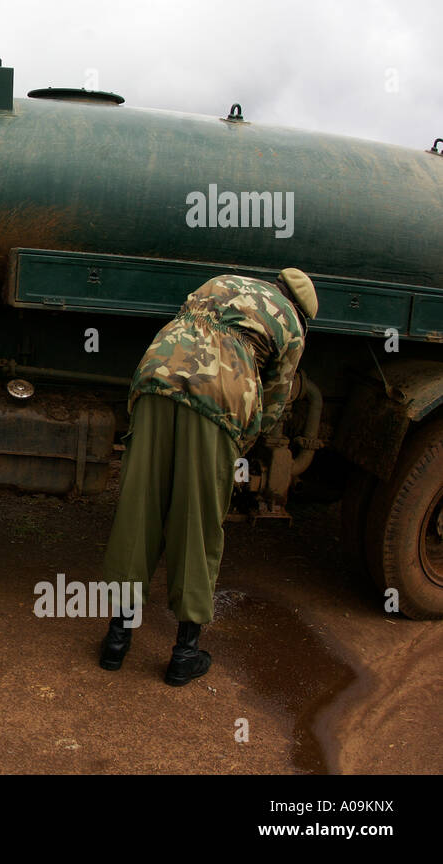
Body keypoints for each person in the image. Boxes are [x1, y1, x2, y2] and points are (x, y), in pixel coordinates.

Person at [98, 268, 319, 685]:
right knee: (196, 521)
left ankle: (116, 641)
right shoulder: (291, 324)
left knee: (139, 508)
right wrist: (245, 439)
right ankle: (184, 654)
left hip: (156, 375)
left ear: (276, 284)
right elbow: (276, 399)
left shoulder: (222, 282)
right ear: (301, 310)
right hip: (218, 396)